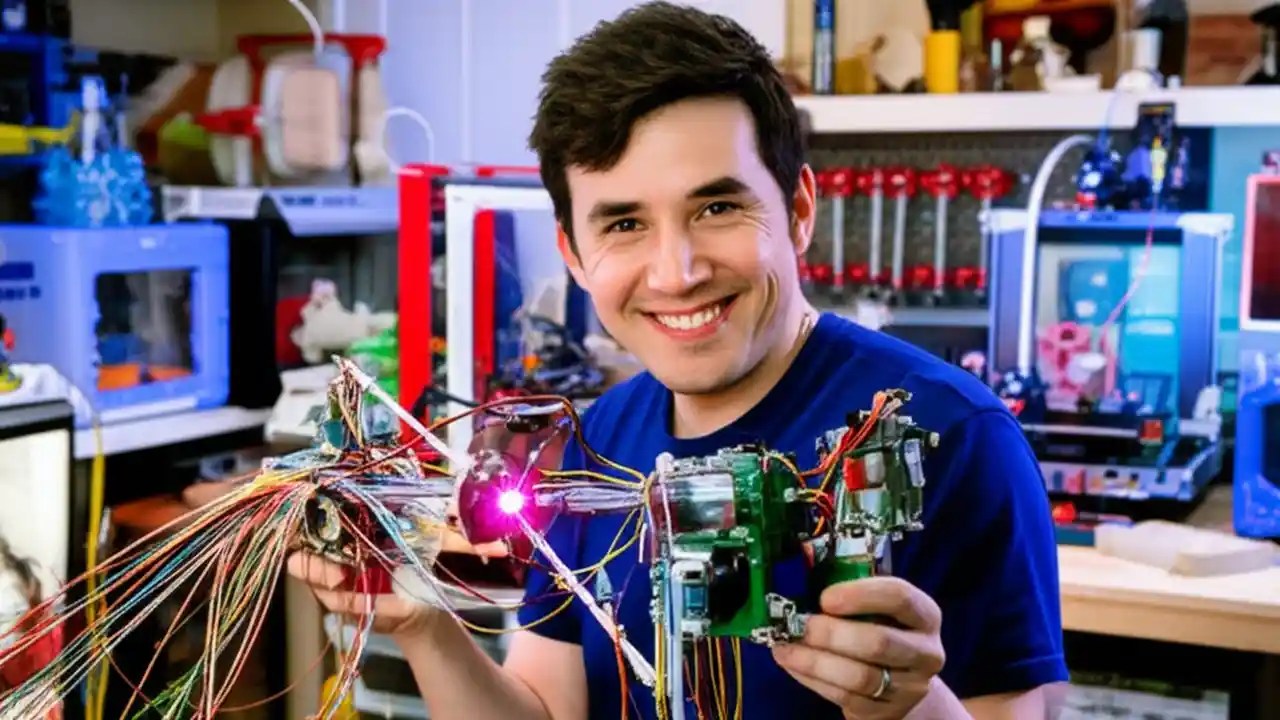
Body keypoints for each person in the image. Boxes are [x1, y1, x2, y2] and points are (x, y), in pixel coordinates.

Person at [288, 3, 1068, 718]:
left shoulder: (951, 437)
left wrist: (906, 706)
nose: (675, 272)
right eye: (624, 223)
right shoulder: (593, 445)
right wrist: (424, 624)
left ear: (798, 211)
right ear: (574, 253)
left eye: (717, 207)